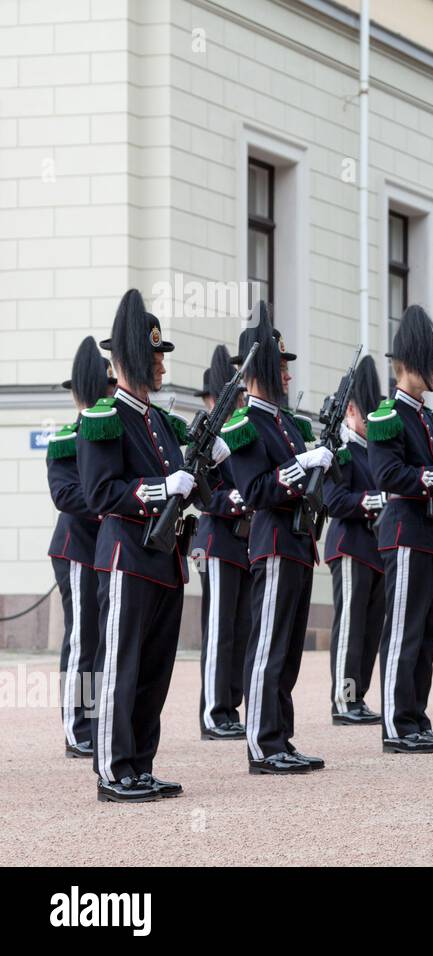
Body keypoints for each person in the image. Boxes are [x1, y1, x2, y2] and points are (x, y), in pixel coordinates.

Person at [78, 289, 206, 801]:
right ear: (130, 354)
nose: (160, 362)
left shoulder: (159, 422)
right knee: (122, 665)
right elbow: (100, 492)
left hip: (164, 561)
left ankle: (140, 764)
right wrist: (160, 489)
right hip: (127, 557)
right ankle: (113, 770)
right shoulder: (105, 417)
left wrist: (203, 467)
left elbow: (192, 487)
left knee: (154, 672)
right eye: (154, 353)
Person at [223, 305, 328, 774]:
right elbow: (256, 490)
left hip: (298, 542)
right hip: (273, 541)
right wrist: (301, 467)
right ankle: (262, 744)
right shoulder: (245, 424)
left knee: (286, 648)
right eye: (281, 365)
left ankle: (280, 736)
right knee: (267, 644)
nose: (287, 374)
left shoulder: (286, 424)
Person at [366, 304, 433, 754]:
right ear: (412, 362)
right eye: (431, 360)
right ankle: (396, 723)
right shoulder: (389, 415)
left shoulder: (425, 417)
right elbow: (387, 475)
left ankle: (416, 717)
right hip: (405, 533)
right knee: (404, 630)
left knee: (425, 632)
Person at [47, 336, 114, 759]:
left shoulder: (109, 433)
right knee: (83, 639)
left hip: (105, 548)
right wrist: (109, 501)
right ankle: (77, 726)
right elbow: (66, 497)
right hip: (77, 547)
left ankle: (95, 718)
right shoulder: (67, 440)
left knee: (103, 639)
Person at [322, 354, 386, 725]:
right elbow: (335, 501)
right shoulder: (340, 449)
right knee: (350, 626)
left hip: (373, 550)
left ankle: (358, 696)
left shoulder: (371, 450)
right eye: (365, 414)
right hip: (349, 546)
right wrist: (375, 501)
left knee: (369, 629)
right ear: (350, 410)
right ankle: (344, 700)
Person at [194, 345, 252, 741]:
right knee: (219, 629)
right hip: (215, 539)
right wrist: (233, 499)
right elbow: (201, 489)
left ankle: (231, 705)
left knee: (241, 627)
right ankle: (215, 712)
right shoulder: (205, 435)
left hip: (243, 541)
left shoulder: (238, 430)